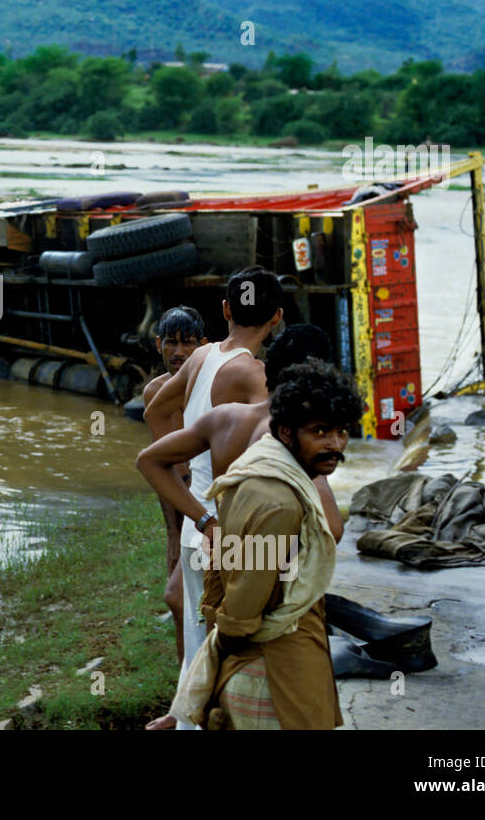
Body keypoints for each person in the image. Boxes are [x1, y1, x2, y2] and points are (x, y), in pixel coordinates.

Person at [138, 323, 343, 729]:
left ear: (268, 371)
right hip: (273, 626)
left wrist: (205, 519)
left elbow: (149, 459)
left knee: (213, 647)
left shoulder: (227, 419)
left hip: (220, 553)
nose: (335, 442)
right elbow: (332, 528)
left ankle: (185, 715)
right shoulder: (289, 444)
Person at [141, 266, 282, 725]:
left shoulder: (202, 359)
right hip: (229, 532)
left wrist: (185, 476)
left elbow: (156, 411)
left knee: (198, 646)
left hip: (196, 523)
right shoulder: (253, 375)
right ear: (276, 318)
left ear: (224, 310)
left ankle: (182, 718)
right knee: (234, 656)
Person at [141, 306, 207, 670]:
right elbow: (164, 455)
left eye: (188, 343)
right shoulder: (156, 392)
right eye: (171, 343)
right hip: (174, 484)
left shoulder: (215, 384)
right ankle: (186, 670)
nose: (178, 352)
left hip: (206, 487)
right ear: (158, 345)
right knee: (176, 551)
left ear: (204, 346)